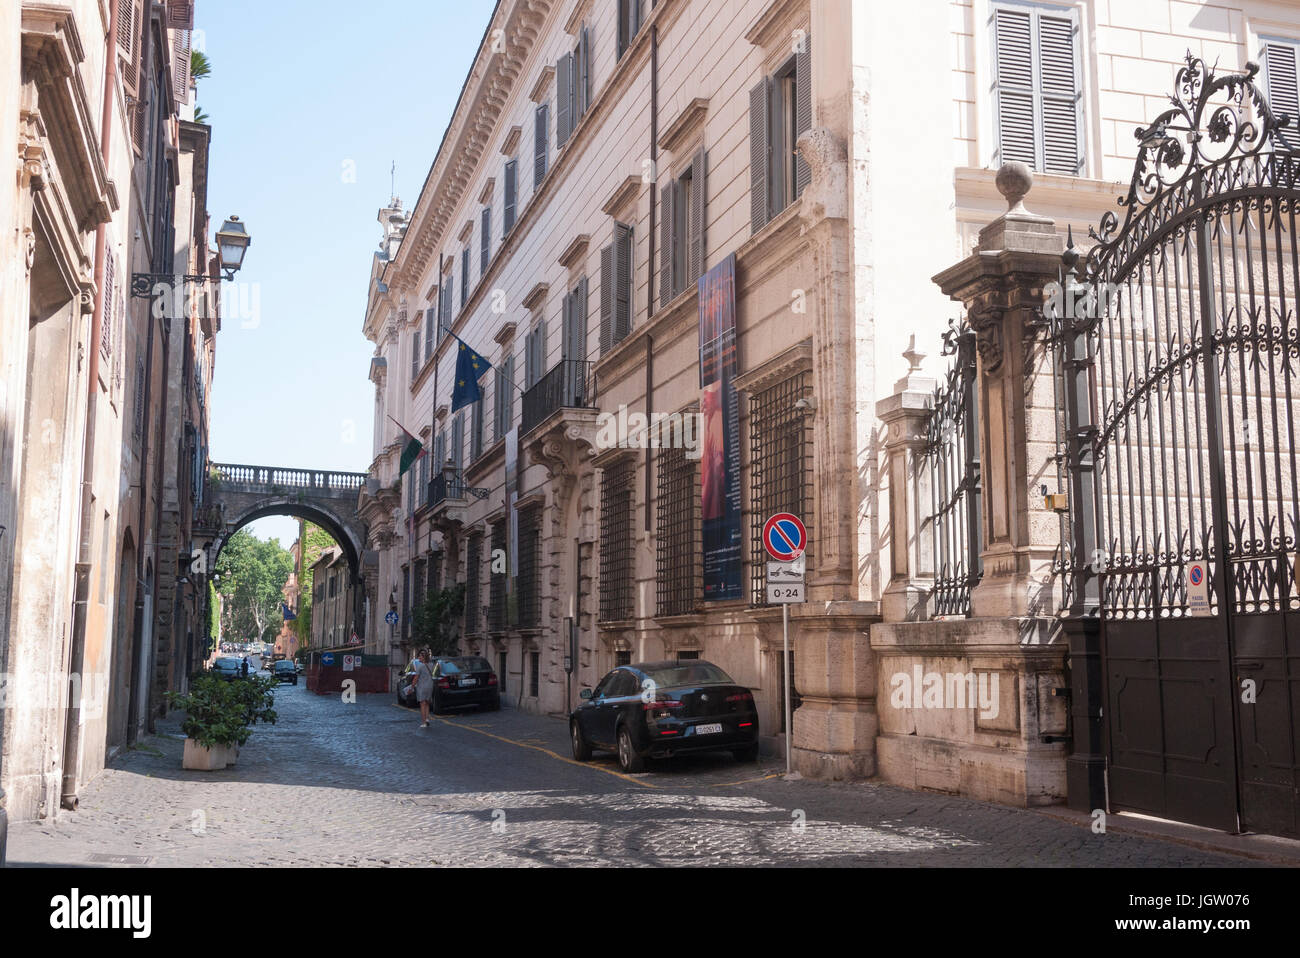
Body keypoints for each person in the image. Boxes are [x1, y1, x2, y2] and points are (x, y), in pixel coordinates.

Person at [413, 648, 435, 728]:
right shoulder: (432, 665)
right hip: (430, 686)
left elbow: (416, 678)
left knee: (422, 704)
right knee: (427, 703)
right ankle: (427, 719)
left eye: (419, 656)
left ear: (423, 657)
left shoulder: (420, 666)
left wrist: (411, 687)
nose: (418, 658)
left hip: (422, 687)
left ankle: (424, 722)